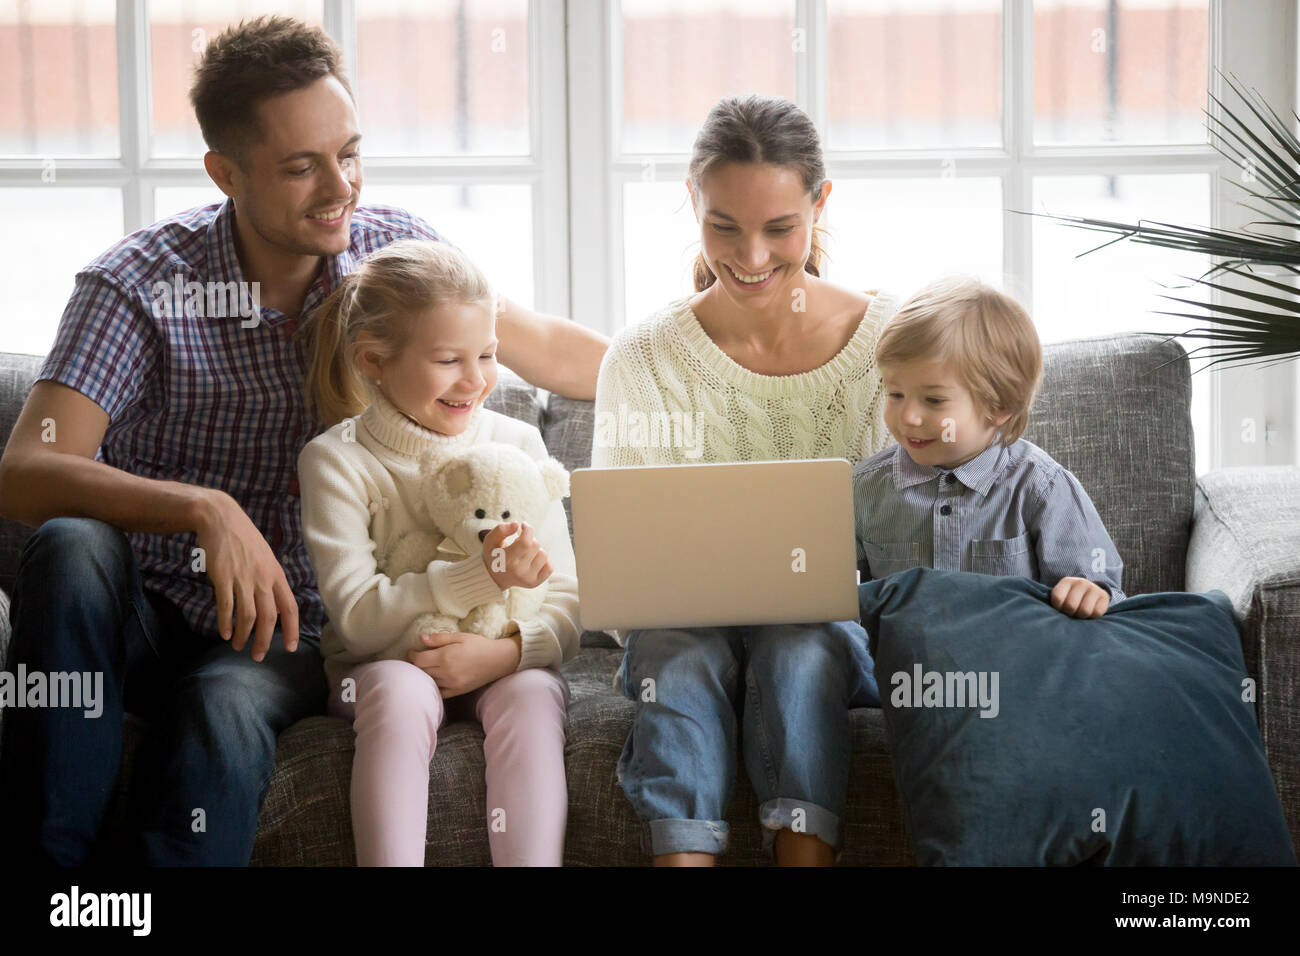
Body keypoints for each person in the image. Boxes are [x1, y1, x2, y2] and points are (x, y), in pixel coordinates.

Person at [0, 15, 604, 866]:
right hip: (140, 612)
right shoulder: (142, 284)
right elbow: (24, 472)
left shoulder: (393, 257)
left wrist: (709, 373)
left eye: (349, 153)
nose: (340, 187)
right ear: (225, 171)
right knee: (68, 548)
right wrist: (205, 510)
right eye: (301, 166)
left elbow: (546, 347)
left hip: (283, 634)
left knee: (223, 708)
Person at [593, 94, 898, 866]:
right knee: (678, 650)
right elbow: (624, 575)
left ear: (820, 204)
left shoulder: (891, 345)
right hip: (681, 634)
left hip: (831, 634)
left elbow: (915, 539)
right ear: (691, 201)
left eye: (780, 228)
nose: (752, 257)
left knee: (801, 644)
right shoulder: (643, 359)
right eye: (723, 225)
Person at [296, 239, 576, 866]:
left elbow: (567, 602)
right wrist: (478, 577)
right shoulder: (338, 461)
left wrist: (503, 653)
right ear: (374, 361)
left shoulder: (518, 446)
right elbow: (360, 620)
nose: (476, 381)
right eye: (449, 360)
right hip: (374, 671)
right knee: (400, 690)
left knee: (531, 695)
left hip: (497, 660)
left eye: (487, 355)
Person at [853, 274, 1126, 615]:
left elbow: (1099, 584)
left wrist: (1090, 591)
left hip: (1010, 657)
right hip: (903, 663)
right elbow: (835, 598)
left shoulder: (1041, 486)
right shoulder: (863, 490)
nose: (907, 416)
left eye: (934, 400)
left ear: (999, 407)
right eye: (895, 394)